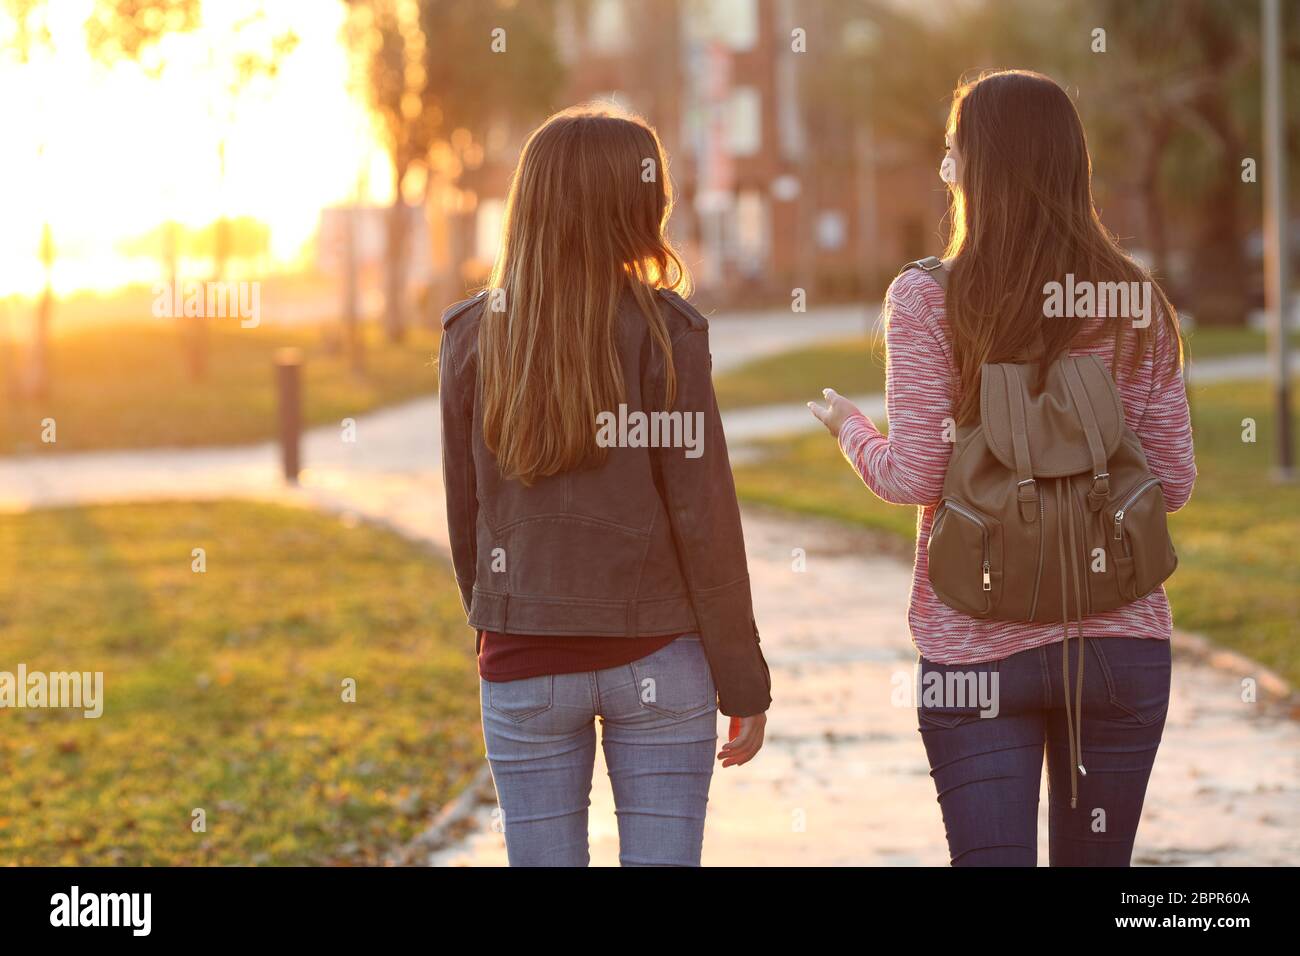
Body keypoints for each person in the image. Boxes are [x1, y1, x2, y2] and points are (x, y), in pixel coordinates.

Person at [810, 70, 1196, 866]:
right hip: (1116, 645)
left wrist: (850, 429)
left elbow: (916, 478)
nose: (946, 174)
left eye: (951, 158)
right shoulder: (1134, 303)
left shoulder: (926, 298)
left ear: (974, 170)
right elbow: (1174, 484)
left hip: (972, 647)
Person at [439, 104, 771, 867]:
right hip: (658, 662)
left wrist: (503, 624)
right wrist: (742, 680)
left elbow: (467, 521)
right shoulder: (667, 333)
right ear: (635, 208)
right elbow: (706, 519)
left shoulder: (471, 335)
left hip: (525, 666)